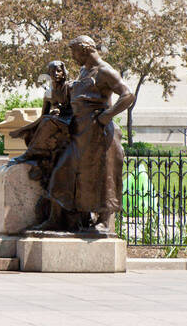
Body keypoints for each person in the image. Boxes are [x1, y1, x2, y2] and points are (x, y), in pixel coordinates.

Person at [28, 36, 136, 235]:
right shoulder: (84, 71)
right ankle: (55, 218)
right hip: (79, 133)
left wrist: (106, 116)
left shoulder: (105, 70)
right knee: (61, 172)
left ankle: (104, 221)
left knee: (104, 178)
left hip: (98, 135)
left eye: (74, 52)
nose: (73, 57)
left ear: (85, 50)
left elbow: (127, 94)